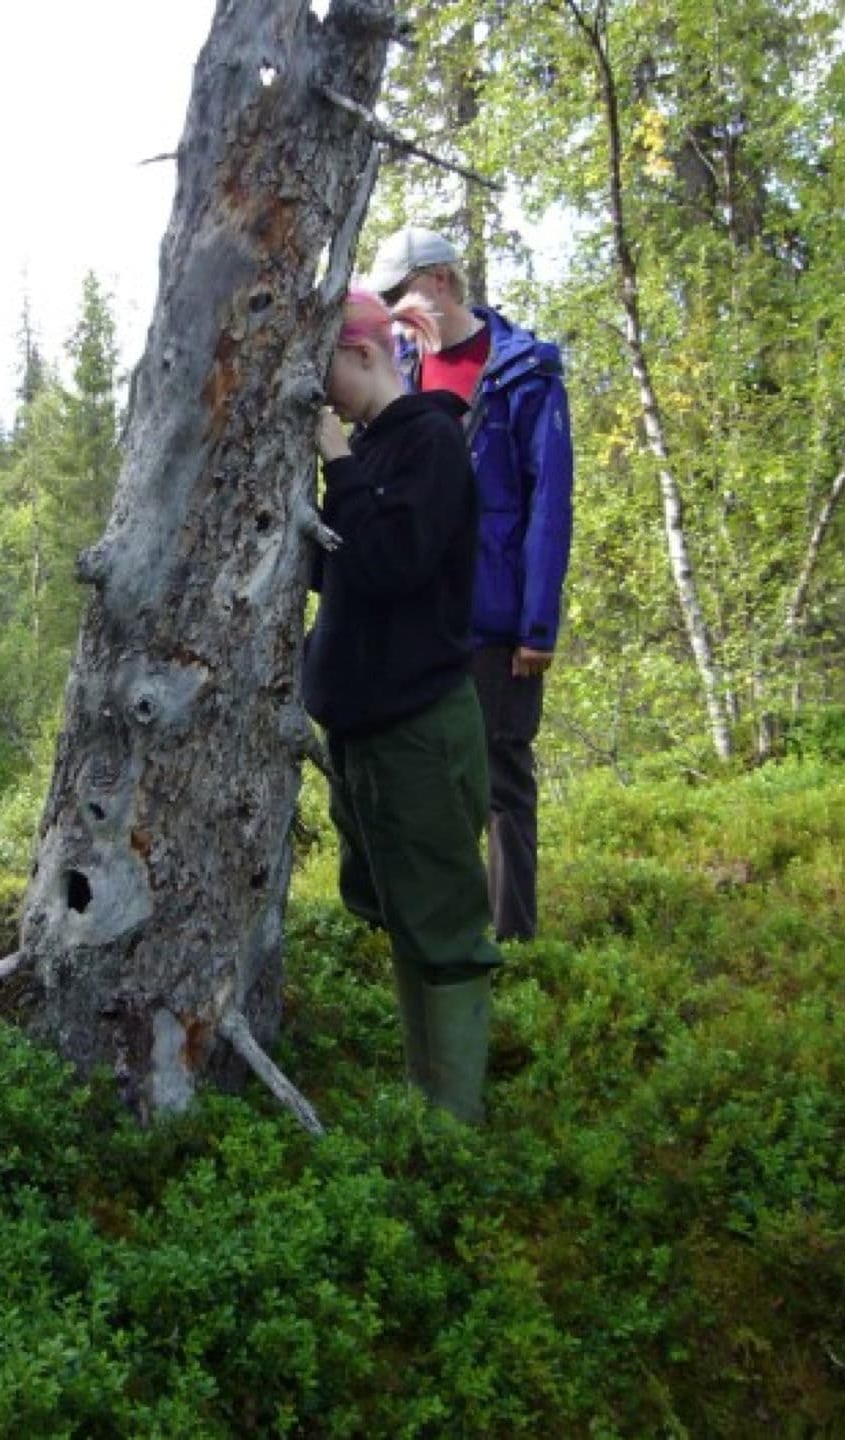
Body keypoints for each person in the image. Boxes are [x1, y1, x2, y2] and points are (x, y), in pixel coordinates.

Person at [302, 289, 503, 1123]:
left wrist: (338, 465)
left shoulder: (429, 441)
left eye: (326, 376)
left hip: (419, 728)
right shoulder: (373, 448)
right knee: (402, 913)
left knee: (443, 927)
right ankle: (426, 1104)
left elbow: (392, 562)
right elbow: (342, 569)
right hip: (368, 731)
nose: (321, 399)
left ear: (363, 354)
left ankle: (451, 1129)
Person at [366, 227, 574, 943]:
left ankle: (515, 942)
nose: (393, 313)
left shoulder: (524, 371)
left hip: (497, 618)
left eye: (399, 295)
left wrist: (536, 626)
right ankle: (448, 938)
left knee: (502, 775)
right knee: (430, 774)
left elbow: (549, 503)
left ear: (440, 282)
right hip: (423, 613)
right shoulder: (400, 370)